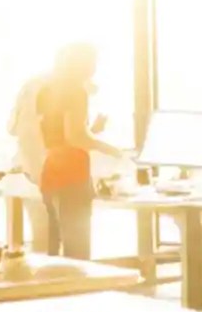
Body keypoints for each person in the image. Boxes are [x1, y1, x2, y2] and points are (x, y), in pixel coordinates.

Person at [37, 43, 121, 260]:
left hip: (51, 171)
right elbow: (75, 137)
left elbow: (58, 134)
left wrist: (92, 131)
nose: (95, 66)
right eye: (93, 61)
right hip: (72, 175)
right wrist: (113, 150)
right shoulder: (76, 91)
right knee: (78, 254)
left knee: (55, 251)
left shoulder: (48, 90)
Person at [7, 77, 49, 253]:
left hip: (25, 171)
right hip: (42, 173)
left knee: (43, 237)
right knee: (48, 239)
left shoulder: (30, 88)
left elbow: (11, 128)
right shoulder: (52, 88)